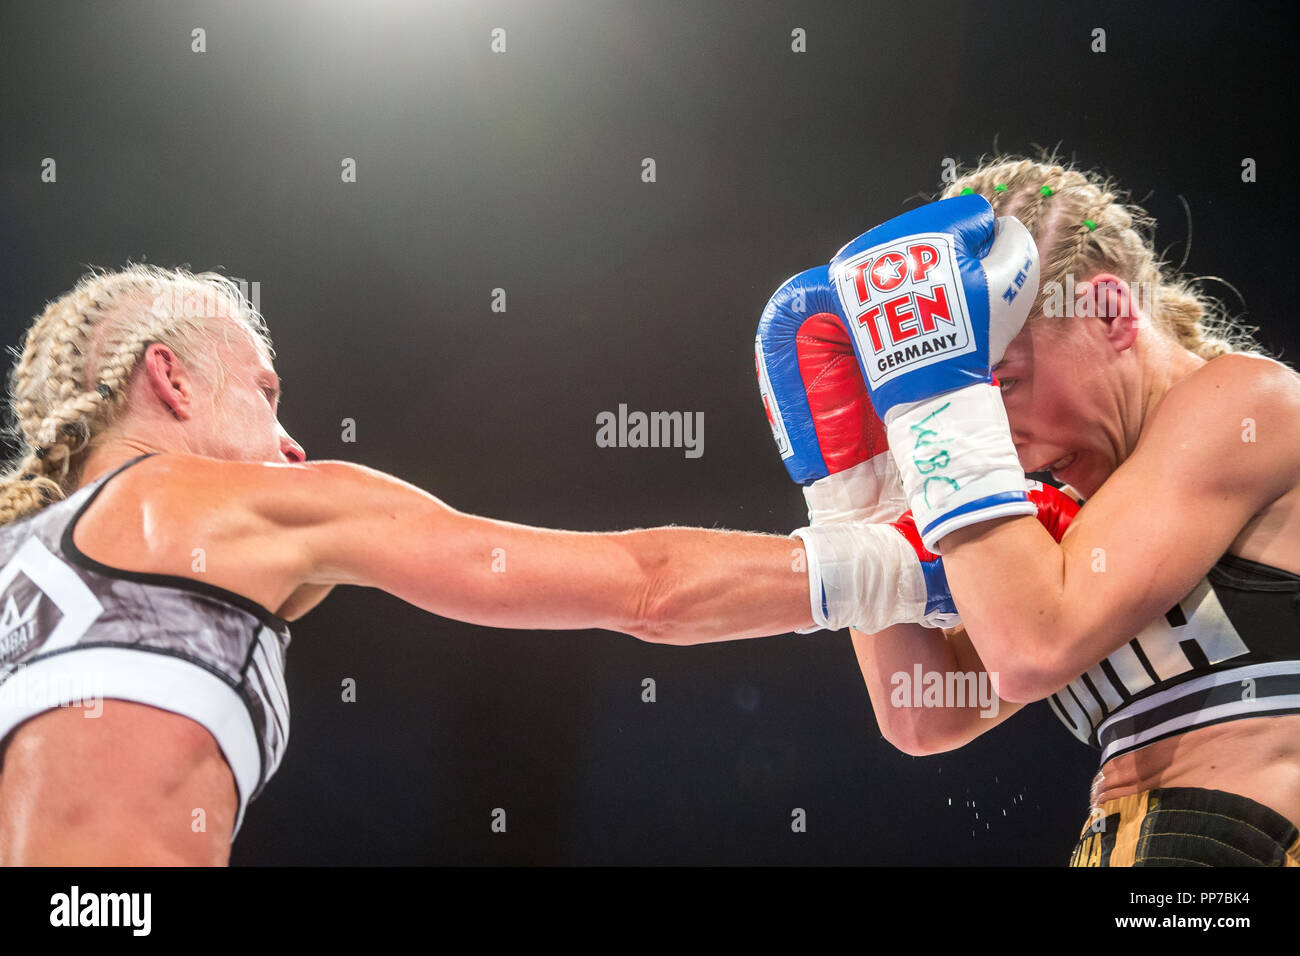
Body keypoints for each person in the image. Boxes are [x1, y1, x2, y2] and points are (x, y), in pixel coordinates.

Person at [0, 263, 1058, 864]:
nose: (288, 439)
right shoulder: (254, 503)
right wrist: (924, 554)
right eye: (267, 392)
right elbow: (644, 586)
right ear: (170, 379)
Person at [822, 154, 1300, 867]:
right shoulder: (1080, 514)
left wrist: (944, 410)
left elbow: (1030, 649)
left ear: (1109, 312)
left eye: (1001, 385)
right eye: (968, 405)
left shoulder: (1248, 405)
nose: (997, 443)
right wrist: (859, 480)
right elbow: (923, 711)